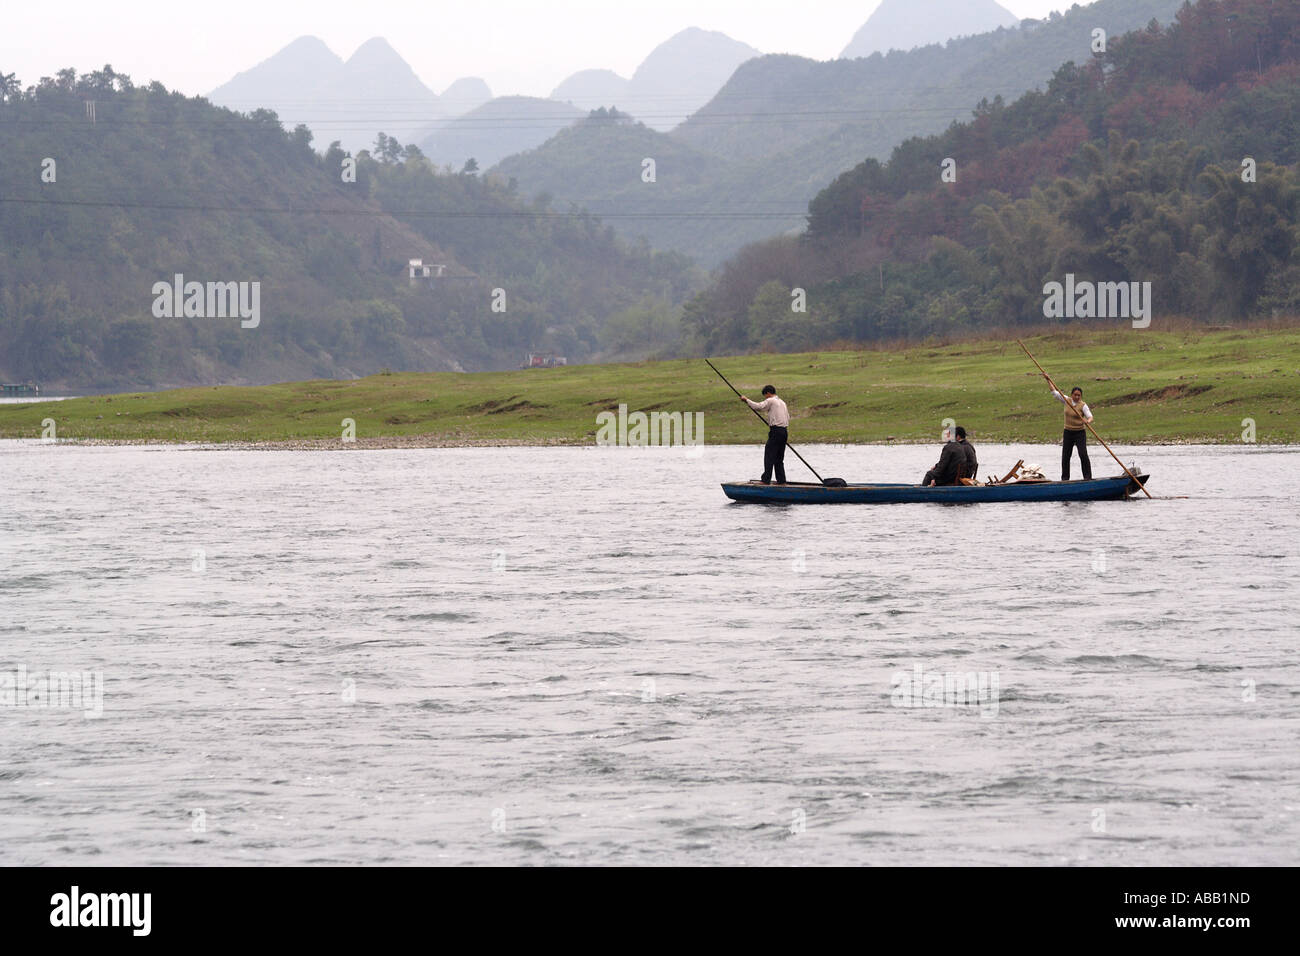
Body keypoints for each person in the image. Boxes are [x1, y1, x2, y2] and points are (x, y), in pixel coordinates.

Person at [1044, 375, 1093, 480]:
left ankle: (1088, 477)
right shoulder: (1067, 400)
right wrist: (1048, 379)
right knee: (1066, 456)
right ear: (1072, 395)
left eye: (1079, 395)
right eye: (1075, 395)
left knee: (1083, 454)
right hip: (1068, 432)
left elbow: (1090, 416)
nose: (1077, 397)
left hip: (1080, 432)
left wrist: (1087, 421)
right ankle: (1065, 479)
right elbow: (1054, 392)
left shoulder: (1083, 405)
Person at [739, 385, 788, 484]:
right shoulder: (782, 402)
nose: (765, 398)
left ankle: (765, 480)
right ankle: (781, 480)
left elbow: (759, 407)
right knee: (779, 458)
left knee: (769, 456)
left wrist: (746, 400)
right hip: (784, 431)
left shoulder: (771, 400)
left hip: (776, 431)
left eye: (765, 396)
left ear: (768, 393)